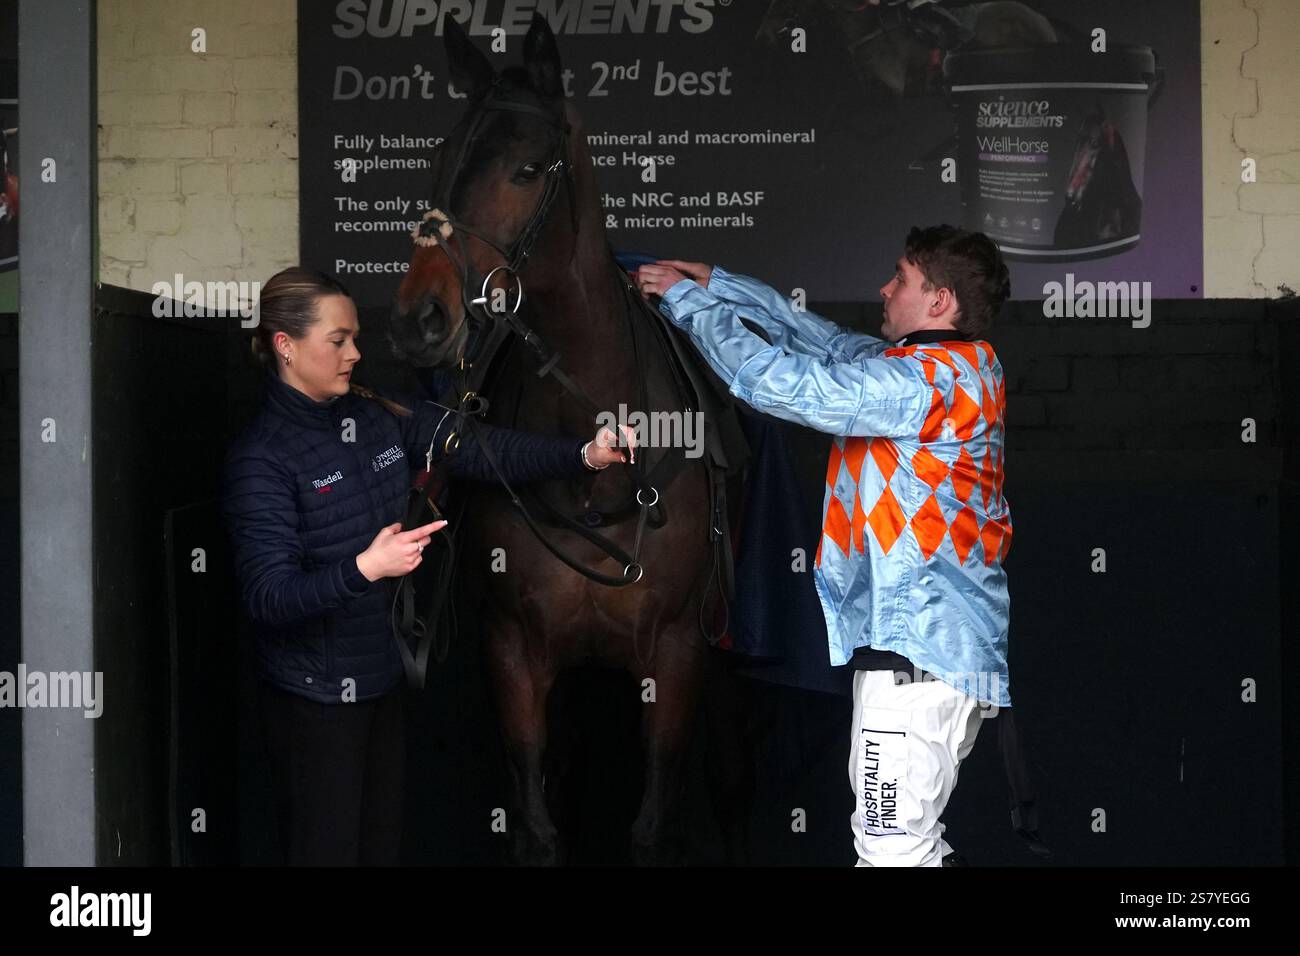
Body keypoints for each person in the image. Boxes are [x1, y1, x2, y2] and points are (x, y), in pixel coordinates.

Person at [221, 266, 630, 866]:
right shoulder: (261, 460)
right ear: (286, 346)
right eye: (338, 341)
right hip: (314, 704)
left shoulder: (378, 411)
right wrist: (366, 567)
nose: (355, 353)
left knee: (381, 850)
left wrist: (583, 454)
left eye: (355, 337)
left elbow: (480, 447)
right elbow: (267, 597)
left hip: (381, 683)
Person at [635, 225, 1013, 866]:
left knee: (890, 851)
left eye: (901, 278)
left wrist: (687, 304)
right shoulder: (954, 368)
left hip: (915, 662)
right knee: (910, 847)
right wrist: (722, 288)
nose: (884, 289)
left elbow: (779, 385)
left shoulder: (923, 385)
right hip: (931, 659)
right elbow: (831, 347)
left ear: (940, 301)